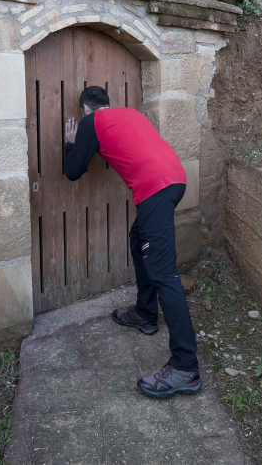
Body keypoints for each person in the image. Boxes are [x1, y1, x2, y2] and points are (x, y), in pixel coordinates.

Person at [64, 85, 201, 398]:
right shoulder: (130, 114)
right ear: (107, 104)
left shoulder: (91, 122)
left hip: (154, 189)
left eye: (83, 113)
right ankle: (145, 313)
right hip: (175, 180)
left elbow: (73, 172)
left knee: (164, 273)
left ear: (85, 108)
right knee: (138, 237)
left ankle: (185, 367)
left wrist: (71, 144)